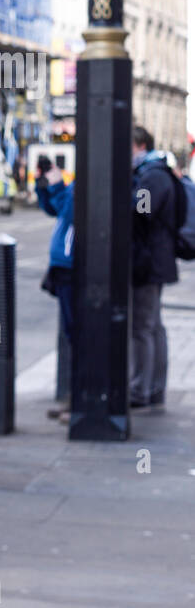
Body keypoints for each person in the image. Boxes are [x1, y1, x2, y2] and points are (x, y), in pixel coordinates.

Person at [130, 125, 179, 413]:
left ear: (140, 146)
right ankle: (153, 387)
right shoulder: (155, 172)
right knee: (153, 326)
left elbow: (142, 210)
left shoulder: (153, 175)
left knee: (143, 327)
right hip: (155, 260)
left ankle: (142, 389)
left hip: (150, 262)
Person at [35, 156, 74, 422]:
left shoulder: (92, 178)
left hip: (71, 265)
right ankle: (72, 400)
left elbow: (69, 209)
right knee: (72, 335)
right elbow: (54, 208)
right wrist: (43, 186)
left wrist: (58, 185)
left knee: (76, 335)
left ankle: (76, 402)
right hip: (64, 265)